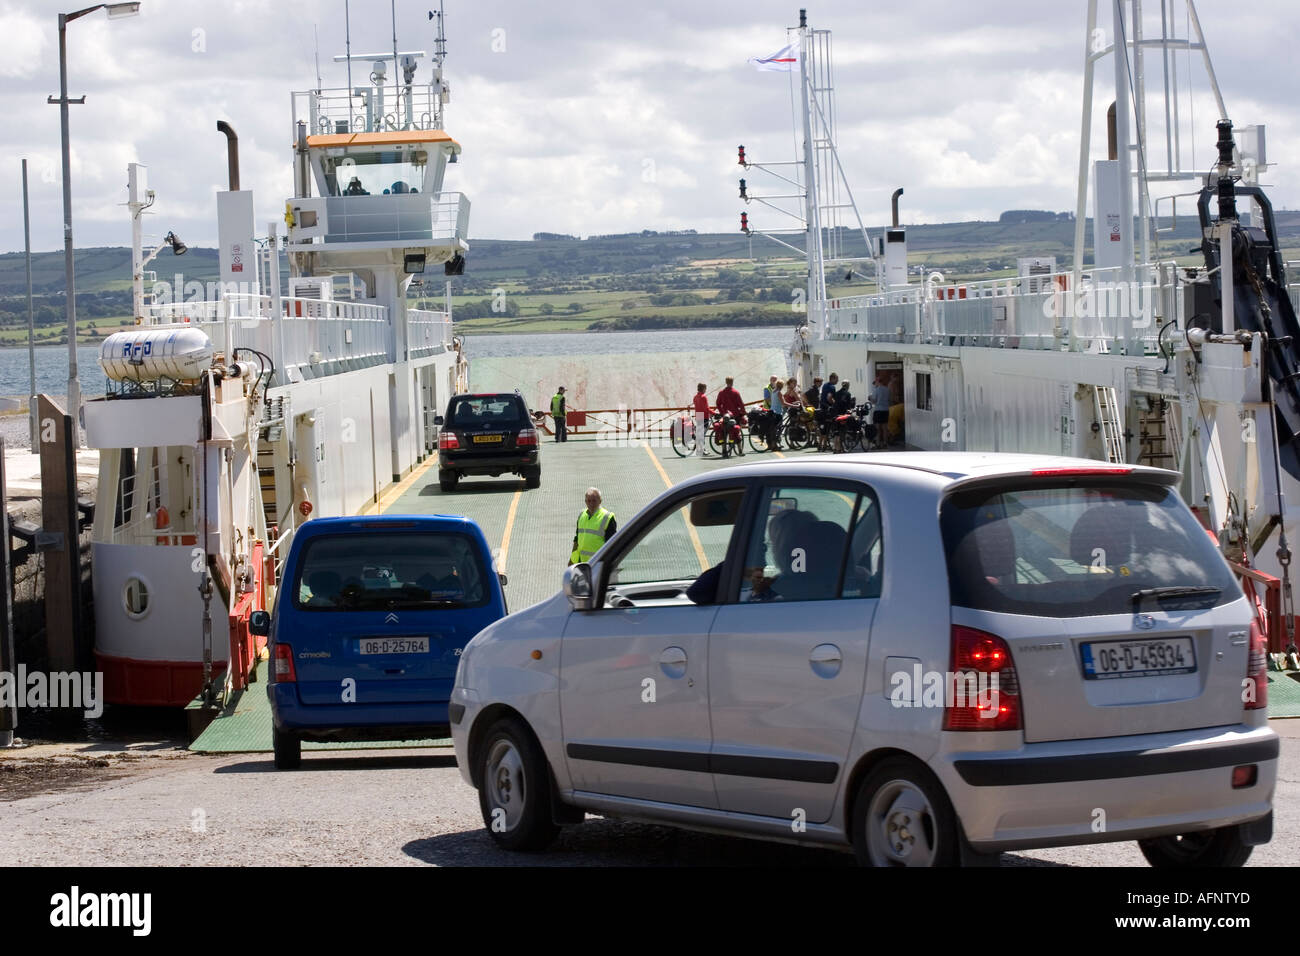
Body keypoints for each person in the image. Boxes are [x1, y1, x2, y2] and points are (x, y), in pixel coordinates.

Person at [570, 487, 616, 565]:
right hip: (582, 563)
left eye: (594, 501)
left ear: (600, 501)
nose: (591, 504)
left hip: (599, 563)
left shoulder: (607, 517)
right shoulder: (582, 515)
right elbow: (577, 539)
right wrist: (572, 560)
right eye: (589, 501)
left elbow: (612, 544)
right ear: (585, 502)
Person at [715, 376, 747, 455]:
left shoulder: (721, 392)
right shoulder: (736, 392)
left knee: (723, 432)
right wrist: (743, 412)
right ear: (732, 382)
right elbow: (741, 405)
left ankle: (724, 450)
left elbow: (718, 404)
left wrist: (722, 412)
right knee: (736, 432)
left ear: (726, 382)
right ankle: (740, 450)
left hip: (725, 416)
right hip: (735, 416)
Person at [691, 382, 711, 457]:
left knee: (700, 433)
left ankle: (695, 448)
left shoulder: (695, 397)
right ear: (703, 388)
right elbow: (706, 408)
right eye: (705, 388)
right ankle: (702, 450)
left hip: (699, 416)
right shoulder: (703, 397)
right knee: (702, 435)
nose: (706, 390)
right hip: (704, 417)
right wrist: (714, 413)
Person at [872, 372, 892, 440]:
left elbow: (874, 401)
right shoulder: (887, 390)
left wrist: (870, 398)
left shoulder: (876, 390)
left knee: (877, 428)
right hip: (886, 410)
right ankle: (885, 443)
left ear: (877, 381)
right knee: (885, 428)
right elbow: (889, 399)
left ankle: (878, 443)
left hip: (878, 410)